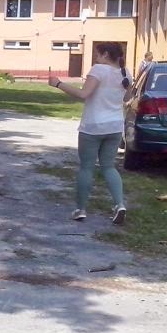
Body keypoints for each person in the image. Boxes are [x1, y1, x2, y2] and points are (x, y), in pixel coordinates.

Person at [49, 42, 128, 224]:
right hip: (115, 127)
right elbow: (127, 98)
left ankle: (80, 209)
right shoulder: (126, 73)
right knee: (109, 167)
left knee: (87, 167)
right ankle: (119, 204)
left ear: (106, 54)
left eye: (98, 54)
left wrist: (58, 84)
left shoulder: (99, 70)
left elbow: (84, 94)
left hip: (93, 126)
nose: (96, 58)